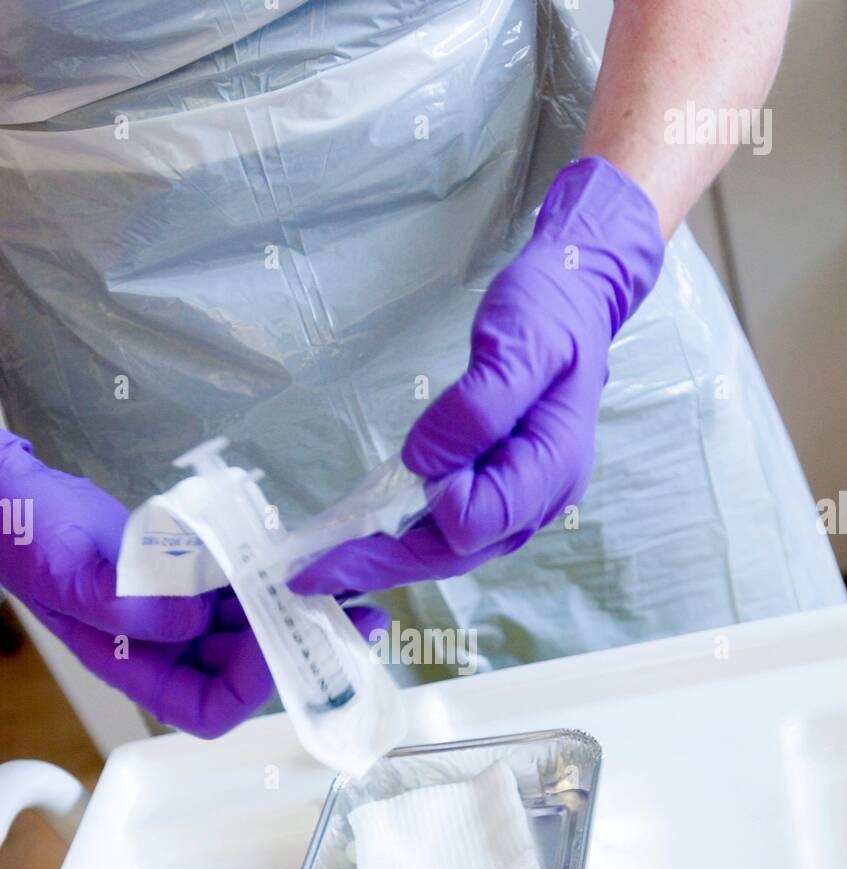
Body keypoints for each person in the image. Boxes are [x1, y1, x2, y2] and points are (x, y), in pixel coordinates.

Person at [0, 1, 841, 737]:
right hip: (127, 374)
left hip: (547, 278)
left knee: (740, 740)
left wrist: (605, 251)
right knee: (327, 850)